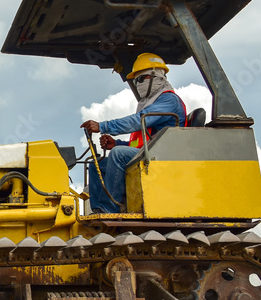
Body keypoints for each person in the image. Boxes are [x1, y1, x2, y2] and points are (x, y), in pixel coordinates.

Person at [79, 53, 187, 214]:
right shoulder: (151, 103)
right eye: (135, 81)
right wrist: (117, 143)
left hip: (163, 156)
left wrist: (103, 126)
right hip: (151, 152)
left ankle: (109, 209)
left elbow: (138, 121)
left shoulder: (169, 100)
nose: (137, 84)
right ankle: (97, 210)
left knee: (118, 154)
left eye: (141, 79)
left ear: (156, 76)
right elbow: (145, 142)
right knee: (96, 165)